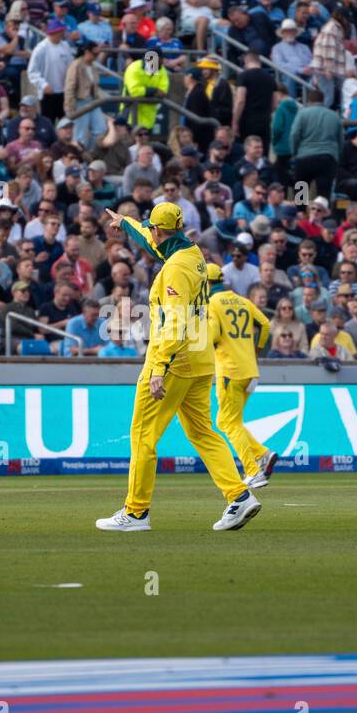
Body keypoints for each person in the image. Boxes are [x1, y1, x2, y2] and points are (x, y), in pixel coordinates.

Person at [95, 202, 261, 533]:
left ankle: (136, 512)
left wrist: (158, 367)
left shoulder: (173, 270)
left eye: (151, 228)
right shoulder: (192, 254)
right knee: (201, 432)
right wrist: (127, 224)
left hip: (175, 360)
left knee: (143, 434)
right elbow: (153, 240)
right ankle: (239, 495)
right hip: (201, 359)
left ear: (159, 231)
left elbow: (175, 322)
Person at [205, 262, 277, 489]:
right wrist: (257, 349)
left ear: (206, 283)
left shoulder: (211, 303)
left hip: (229, 371)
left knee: (227, 423)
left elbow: (213, 334)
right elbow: (265, 325)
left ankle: (253, 469)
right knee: (231, 421)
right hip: (251, 371)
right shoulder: (242, 300)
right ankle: (262, 454)